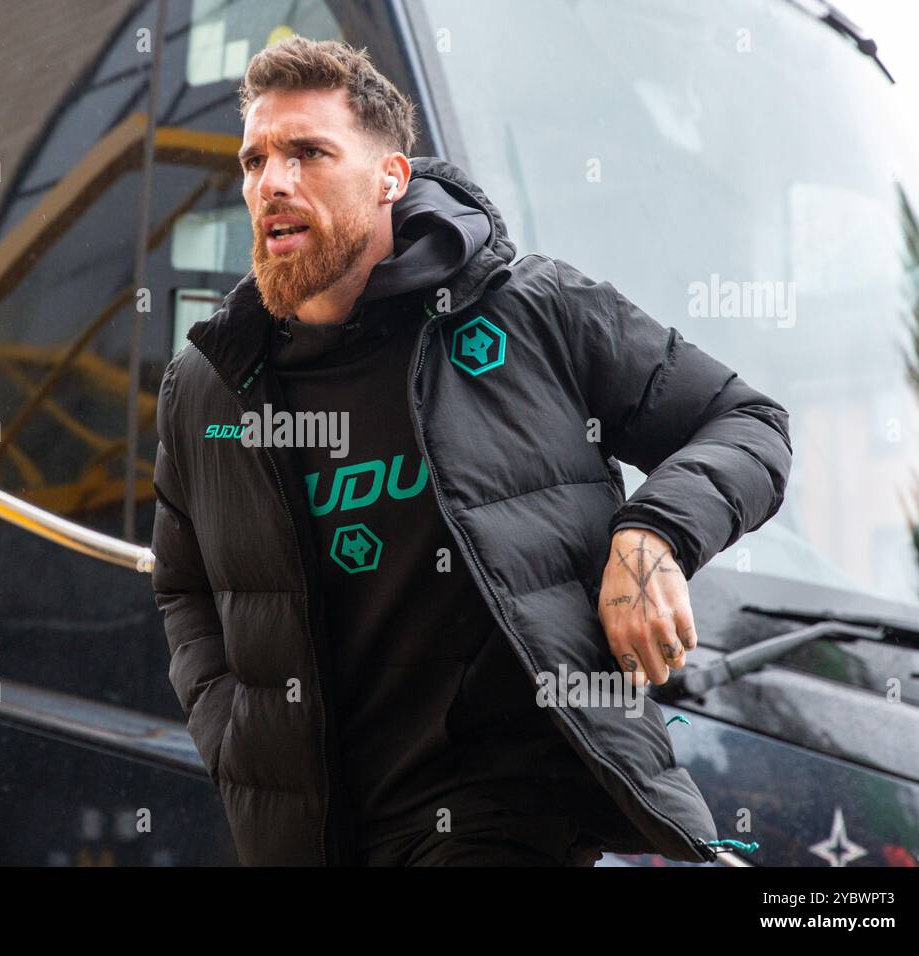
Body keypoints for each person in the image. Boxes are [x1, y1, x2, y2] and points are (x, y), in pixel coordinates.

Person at [151, 36, 791, 866]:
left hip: (505, 817)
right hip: (316, 833)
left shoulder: (532, 310)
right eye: (256, 159)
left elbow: (748, 422)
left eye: (308, 152)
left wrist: (654, 536)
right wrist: (234, 732)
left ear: (391, 177)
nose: (272, 182)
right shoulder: (208, 384)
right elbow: (183, 588)